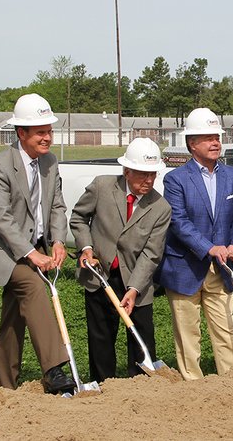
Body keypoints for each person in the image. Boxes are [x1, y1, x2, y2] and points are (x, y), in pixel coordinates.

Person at [0, 94, 76, 394]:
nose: (47, 137)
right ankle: (54, 369)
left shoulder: (50, 162)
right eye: (40, 132)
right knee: (32, 287)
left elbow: (57, 205)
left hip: (36, 246)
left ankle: (2, 380)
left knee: (14, 312)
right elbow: (0, 217)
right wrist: (32, 254)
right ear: (21, 133)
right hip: (4, 251)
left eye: (49, 130)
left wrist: (58, 241)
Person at [156, 108, 233, 380]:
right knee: (188, 334)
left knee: (226, 329)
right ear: (191, 144)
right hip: (185, 267)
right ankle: (193, 387)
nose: (215, 142)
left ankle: (232, 382)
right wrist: (209, 247)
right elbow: (179, 221)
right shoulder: (176, 179)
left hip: (222, 268)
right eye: (207, 138)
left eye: (217, 137)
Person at [69, 138, 171, 382]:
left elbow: (151, 254)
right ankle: (103, 385)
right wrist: (86, 248)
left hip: (137, 279)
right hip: (100, 274)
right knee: (101, 337)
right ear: (126, 171)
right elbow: (79, 218)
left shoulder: (160, 207)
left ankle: (141, 385)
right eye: (142, 174)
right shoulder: (102, 187)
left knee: (141, 337)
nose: (148, 181)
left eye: (152, 175)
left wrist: (134, 289)